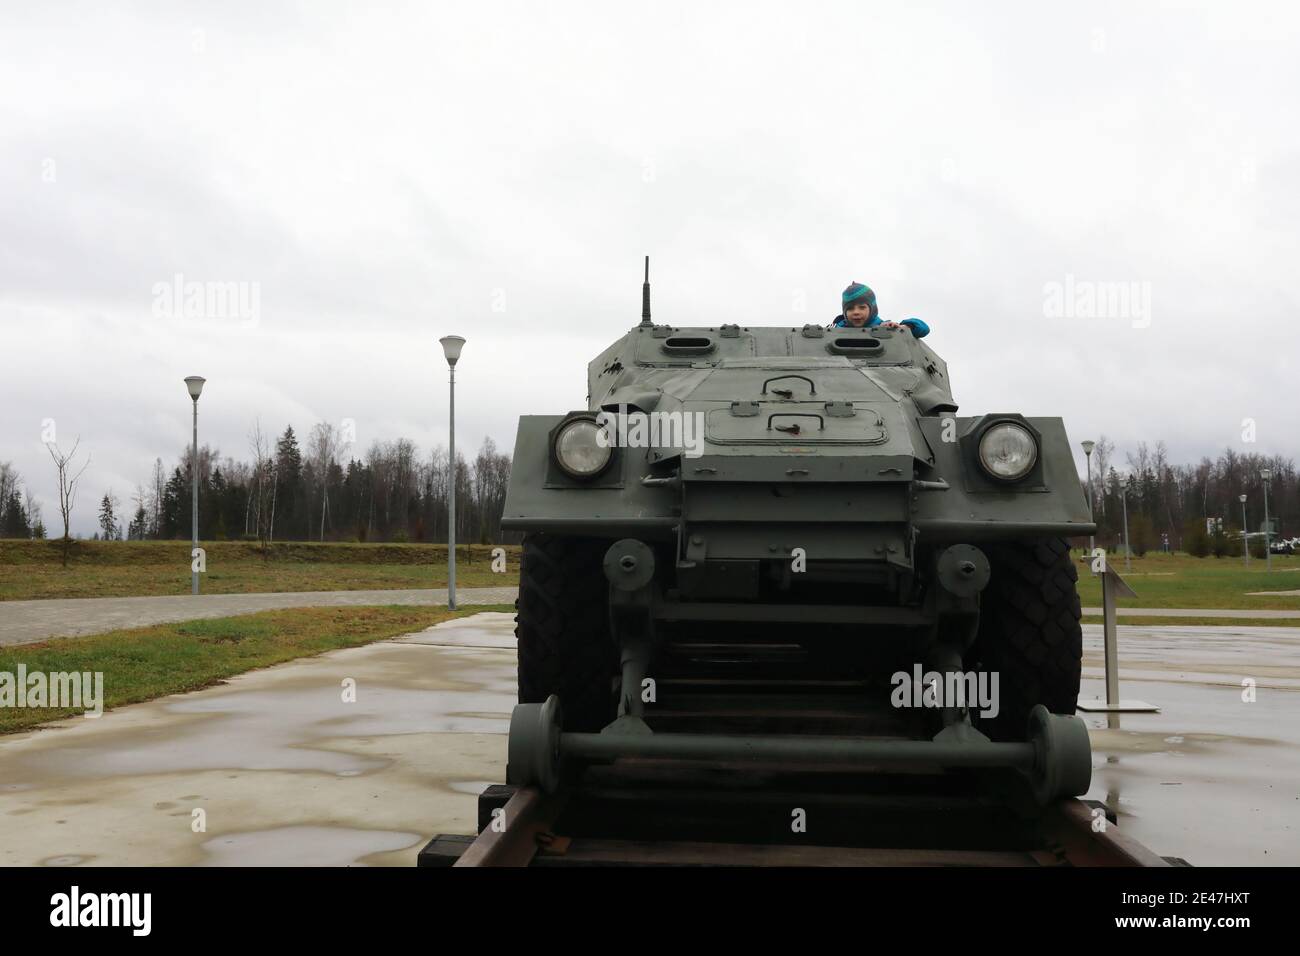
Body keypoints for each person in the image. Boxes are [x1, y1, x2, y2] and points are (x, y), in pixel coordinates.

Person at [831, 281, 930, 338]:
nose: (856, 312)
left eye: (862, 307)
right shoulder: (835, 329)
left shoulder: (884, 327)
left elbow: (924, 329)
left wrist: (906, 326)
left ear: (872, 309)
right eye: (850, 309)